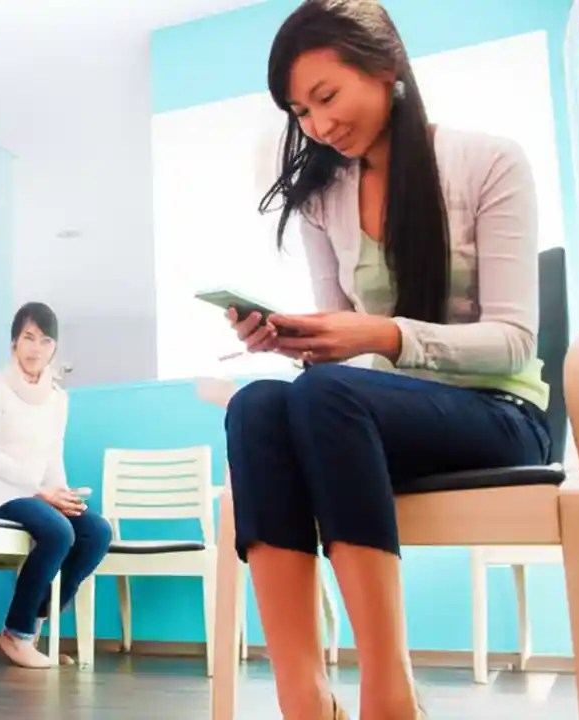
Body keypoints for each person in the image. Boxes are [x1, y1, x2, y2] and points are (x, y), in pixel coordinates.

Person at [224, 2, 552, 719]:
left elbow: (514, 340)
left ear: (386, 67)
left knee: (325, 398)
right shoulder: (323, 202)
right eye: (299, 111)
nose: (316, 125)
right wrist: (294, 338)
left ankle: (389, 697)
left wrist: (377, 335)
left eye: (326, 97)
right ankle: (305, 702)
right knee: (259, 404)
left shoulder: (489, 161)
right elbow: (337, 360)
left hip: (500, 412)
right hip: (384, 419)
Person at [0, 302, 112, 669]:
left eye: (45, 340)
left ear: (54, 348)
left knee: (96, 530)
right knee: (58, 532)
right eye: (28, 337)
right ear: (14, 342)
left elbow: (53, 453)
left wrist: (60, 494)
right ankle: (16, 635)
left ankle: (34, 622)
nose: (35, 347)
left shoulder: (58, 398)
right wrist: (40, 490)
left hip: (38, 494)